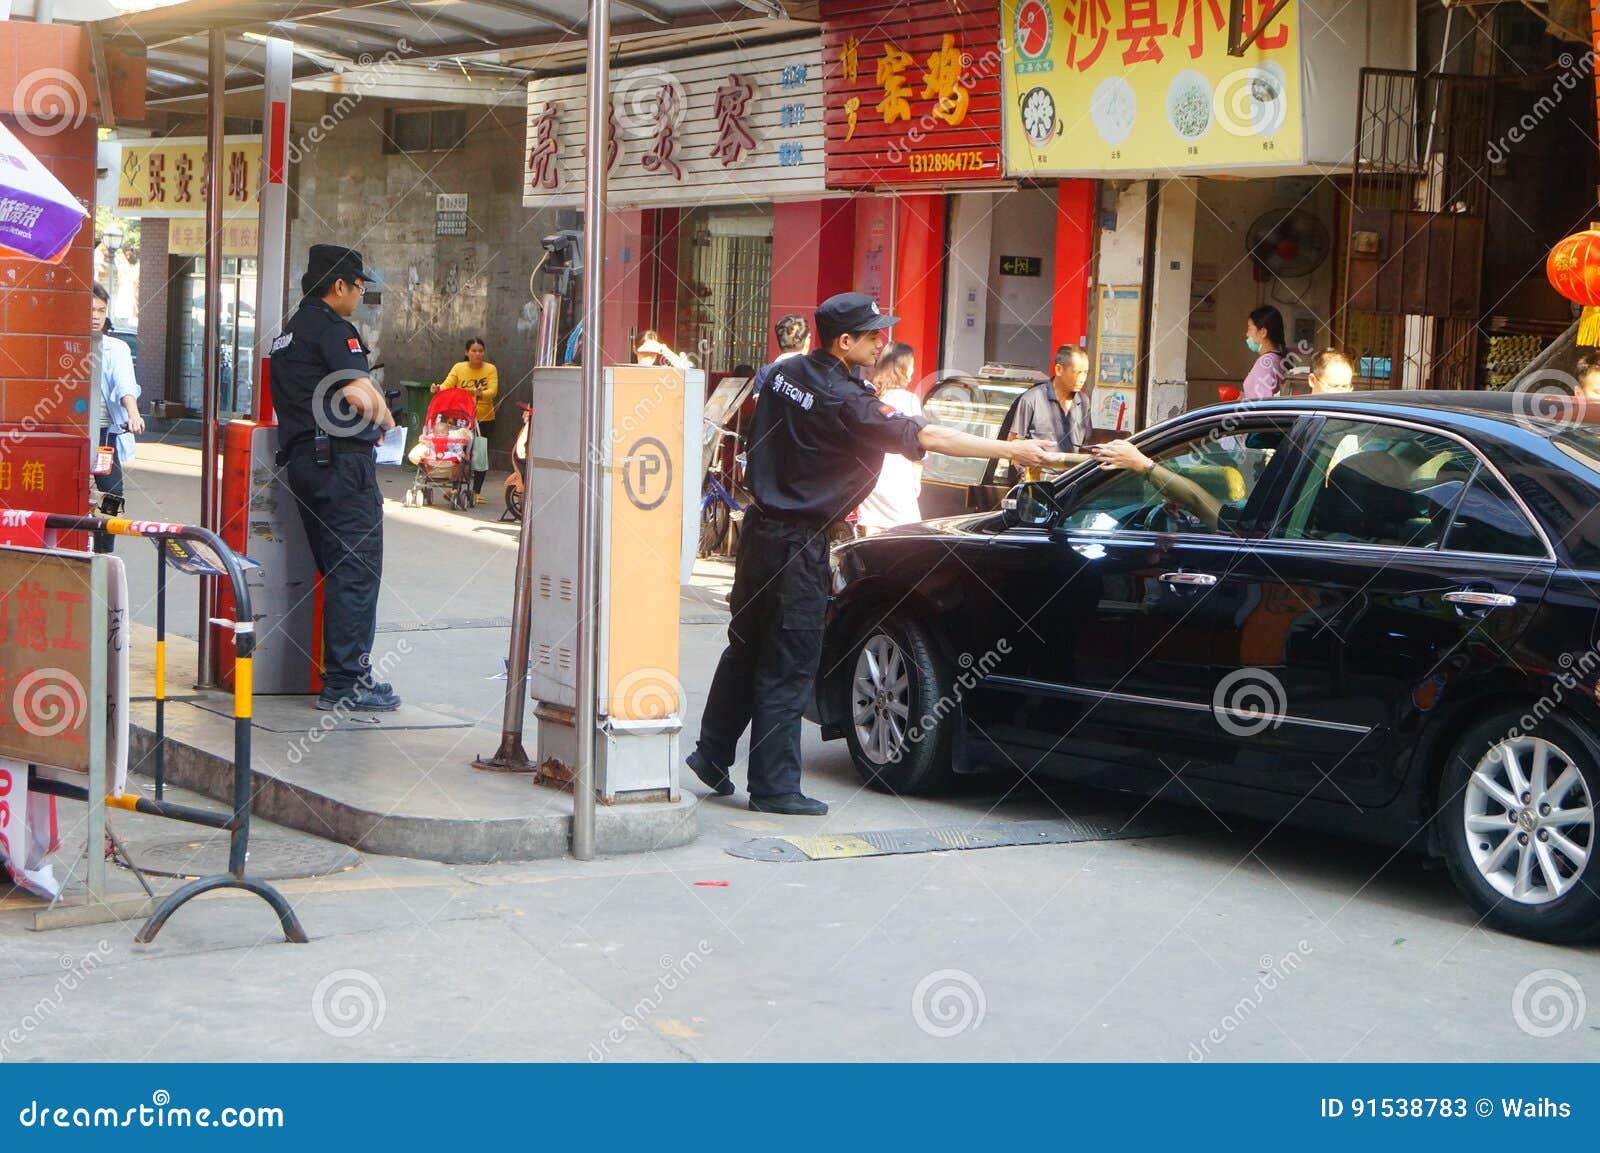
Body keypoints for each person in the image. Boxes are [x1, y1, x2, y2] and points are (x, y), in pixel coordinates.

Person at [687, 292, 1064, 815]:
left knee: (746, 645)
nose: (882, 340)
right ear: (844, 342)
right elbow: (928, 436)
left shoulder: (781, 374)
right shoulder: (850, 402)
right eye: (872, 335)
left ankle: (711, 754)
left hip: (758, 534)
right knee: (789, 665)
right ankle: (774, 788)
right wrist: (1012, 450)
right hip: (799, 543)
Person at [270, 245, 400, 713]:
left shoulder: (287, 334)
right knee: (357, 571)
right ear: (339, 285)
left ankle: (344, 675)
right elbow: (360, 395)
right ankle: (347, 682)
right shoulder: (332, 328)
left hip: (305, 466)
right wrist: (386, 420)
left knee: (338, 568)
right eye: (359, 287)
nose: (361, 295)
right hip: (342, 467)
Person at [90, 284, 143, 554]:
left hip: (102, 436)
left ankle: (104, 551)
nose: (96, 316)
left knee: (113, 495)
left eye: (101, 310)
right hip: (72, 434)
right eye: (91, 310)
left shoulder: (116, 348)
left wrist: (133, 414)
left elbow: (125, 385)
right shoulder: (67, 344)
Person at [854, 342, 923, 535]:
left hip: (871, 475)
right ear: (902, 368)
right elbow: (918, 441)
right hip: (898, 478)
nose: (914, 369)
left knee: (872, 535)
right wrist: (917, 478)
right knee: (907, 537)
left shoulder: (871, 396)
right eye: (912, 364)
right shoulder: (909, 400)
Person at [433, 337, 498, 505]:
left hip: (483, 417)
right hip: (460, 417)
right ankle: (455, 487)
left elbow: (493, 391)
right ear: (466, 352)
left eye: (480, 351)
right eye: (474, 351)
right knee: (458, 451)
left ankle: (476, 491)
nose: (477, 354)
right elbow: (448, 385)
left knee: (479, 454)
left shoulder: (490, 369)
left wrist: (480, 393)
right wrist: (438, 389)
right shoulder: (459, 367)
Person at [1000, 344, 1095, 453]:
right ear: (1059, 369)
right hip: (1038, 469)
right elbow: (1014, 442)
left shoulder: (1083, 401)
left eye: (1085, 373)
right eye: (1077, 372)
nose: (1082, 379)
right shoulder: (1032, 399)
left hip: (1072, 469)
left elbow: (1086, 444)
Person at [1242, 305, 1287, 400]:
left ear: (1263, 332)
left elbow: (1263, 404)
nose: (1247, 334)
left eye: (1250, 329)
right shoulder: (1276, 358)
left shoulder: (1265, 363)